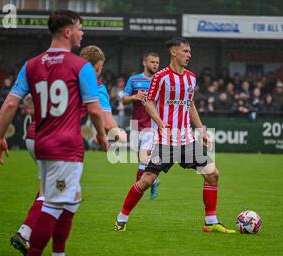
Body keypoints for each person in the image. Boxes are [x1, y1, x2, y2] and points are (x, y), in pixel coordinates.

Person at [0, 10, 108, 256]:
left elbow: (10, 103)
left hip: (42, 142)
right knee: (53, 206)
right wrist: (102, 136)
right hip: (65, 147)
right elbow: (93, 110)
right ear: (67, 31)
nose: (82, 33)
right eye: (79, 28)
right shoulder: (82, 67)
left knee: (72, 200)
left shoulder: (31, 64)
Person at [113, 37, 235, 234]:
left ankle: (211, 222)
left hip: (187, 140)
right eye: (185, 51)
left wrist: (201, 129)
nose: (189, 55)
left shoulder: (191, 78)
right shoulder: (160, 77)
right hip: (165, 141)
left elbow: (191, 105)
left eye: (189, 51)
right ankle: (121, 218)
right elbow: (149, 102)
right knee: (147, 180)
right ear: (174, 52)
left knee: (212, 174)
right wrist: (160, 123)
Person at [122, 52, 161, 199]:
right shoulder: (133, 79)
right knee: (141, 159)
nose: (155, 65)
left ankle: (137, 191)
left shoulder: (160, 80)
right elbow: (124, 99)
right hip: (136, 124)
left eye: (157, 62)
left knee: (143, 160)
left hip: (152, 126)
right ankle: (154, 181)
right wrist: (134, 97)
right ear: (144, 63)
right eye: (152, 62)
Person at [79, 45, 126, 142]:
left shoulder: (65, 78)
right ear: (98, 67)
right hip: (67, 146)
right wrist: (121, 136)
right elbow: (108, 125)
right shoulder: (96, 86)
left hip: (44, 140)